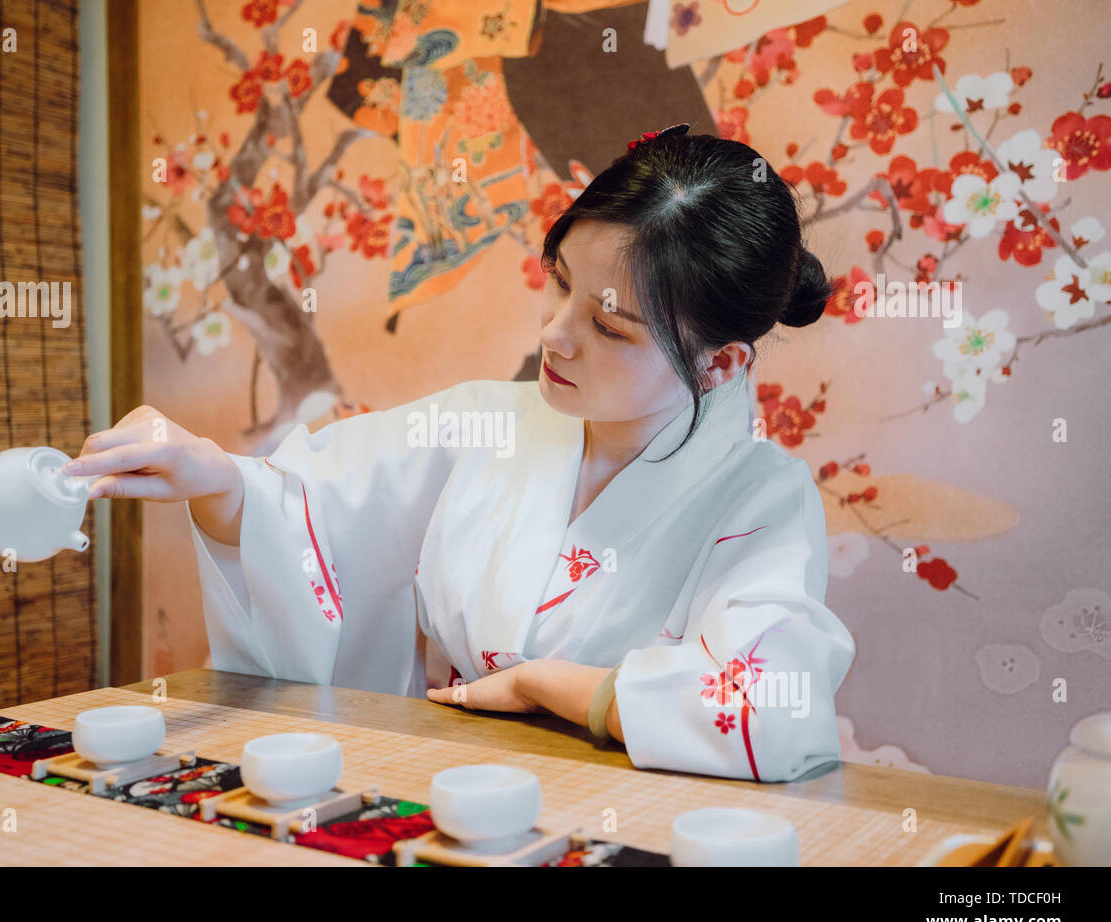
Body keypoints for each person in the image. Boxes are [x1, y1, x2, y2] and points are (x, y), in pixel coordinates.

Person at [64, 124, 855, 782]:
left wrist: (560, 687)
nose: (553, 334)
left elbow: (776, 708)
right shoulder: (483, 423)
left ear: (721, 363)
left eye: (609, 326)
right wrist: (218, 481)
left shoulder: (761, 500)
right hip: (442, 797)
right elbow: (307, 513)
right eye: (557, 282)